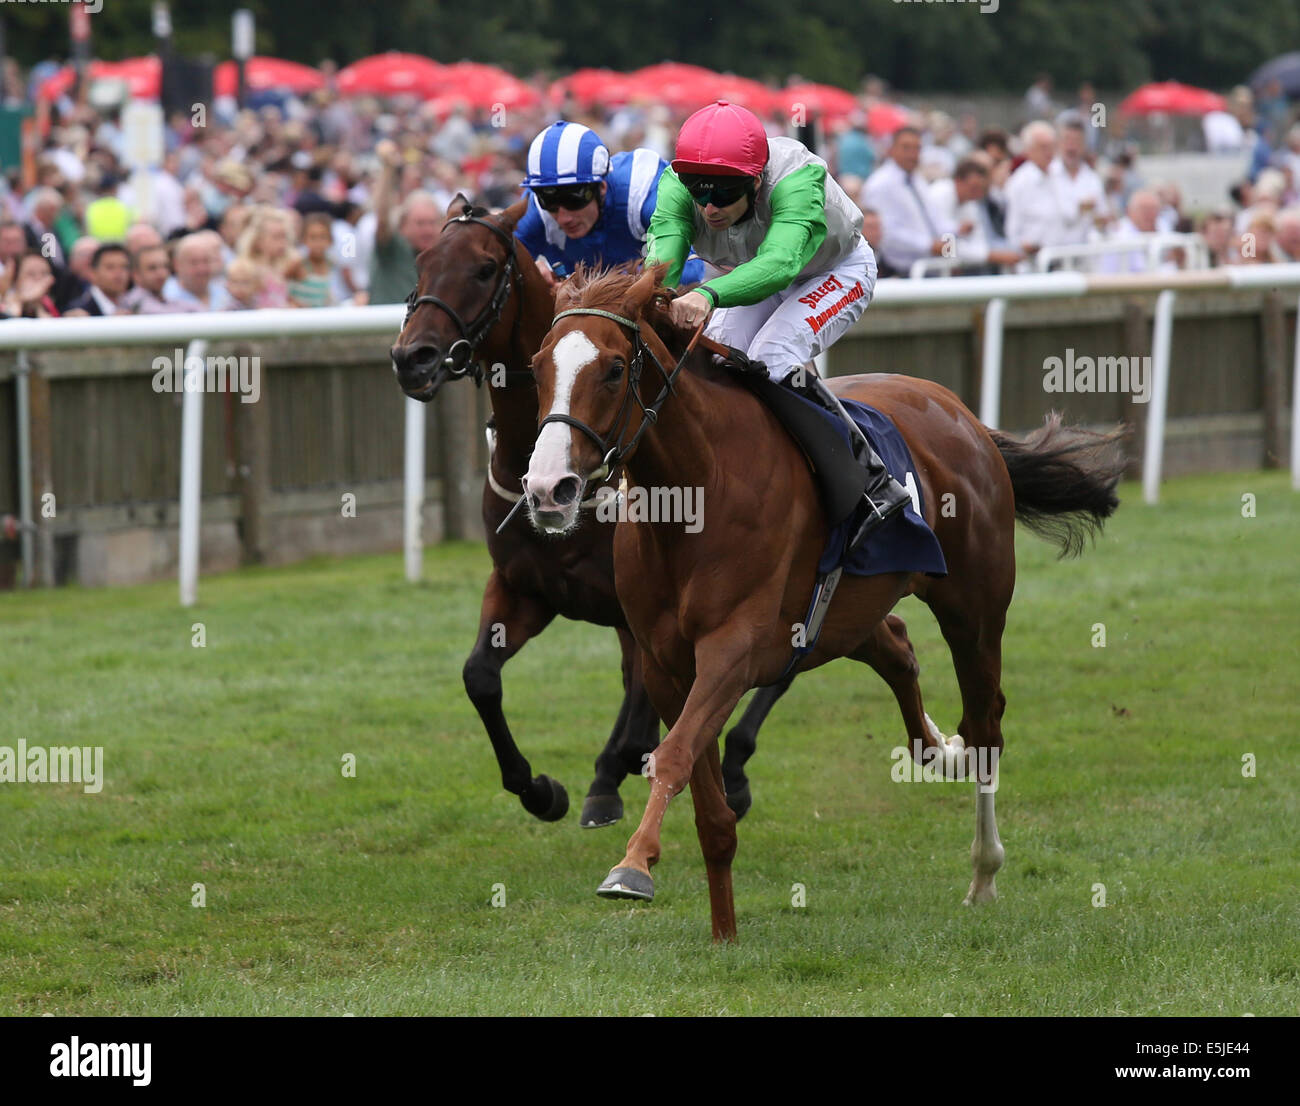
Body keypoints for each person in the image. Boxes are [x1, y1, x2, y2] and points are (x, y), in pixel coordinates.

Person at [645, 99, 910, 548]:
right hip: (755, 275)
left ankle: (869, 483)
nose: (709, 206)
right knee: (716, 359)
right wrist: (649, 299)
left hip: (834, 271)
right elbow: (662, 265)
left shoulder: (796, 177)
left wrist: (707, 294)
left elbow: (780, 264)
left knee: (771, 356)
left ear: (755, 180)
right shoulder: (676, 185)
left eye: (725, 193)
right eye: (698, 190)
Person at [514, 120, 703, 287]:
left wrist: (599, 288)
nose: (563, 217)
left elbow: (693, 269)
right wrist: (528, 271)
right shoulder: (535, 208)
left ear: (601, 187)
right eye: (550, 202)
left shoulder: (645, 188)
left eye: (574, 200)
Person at [860, 126, 954, 276]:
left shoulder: (916, 179)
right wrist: (929, 245)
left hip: (929, 264)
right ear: (891, 149)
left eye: (917, 148)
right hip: (898, 271)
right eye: (906, 148)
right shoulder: (879, 184)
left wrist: (952, 234)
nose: (912, 154)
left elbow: (932, 219)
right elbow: (883, 232)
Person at [65, 243, 131, 315]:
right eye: (110, 267)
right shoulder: (77, 312)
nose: (119, 273)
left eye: (124, 267)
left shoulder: (134, 305)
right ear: (93, 273)